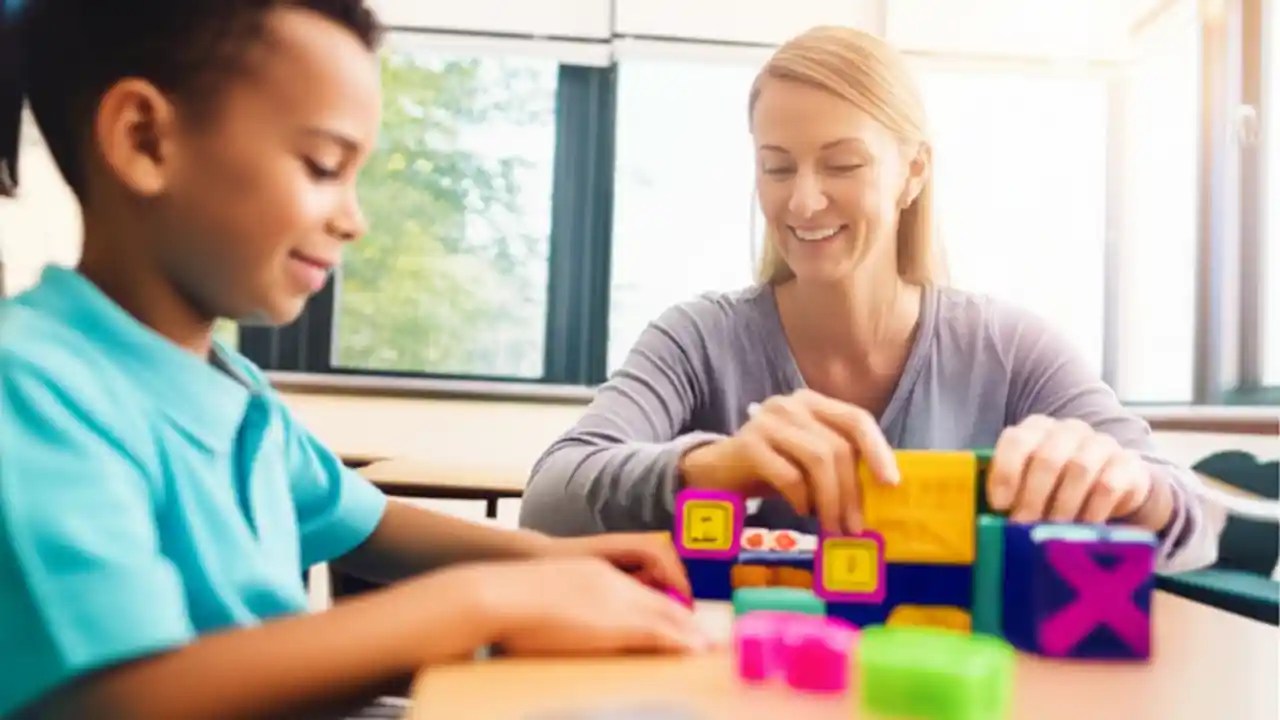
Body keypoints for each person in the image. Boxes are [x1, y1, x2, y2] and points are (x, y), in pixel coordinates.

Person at [0, 2, 706, 718]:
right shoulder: (32, 387)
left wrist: (560, 561)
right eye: (323, 166)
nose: (354, 219)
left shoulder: (234, 389)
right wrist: (482, 603)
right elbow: (121, 698)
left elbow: (370, 526)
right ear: (144, 139)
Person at [519, 26, 1224, 574]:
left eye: (843, 164)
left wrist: (1131, 489)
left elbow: (1200, 519)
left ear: (913, 171)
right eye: (776, 167)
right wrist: (711, 466)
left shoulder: (1011, 349)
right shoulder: (697, 338)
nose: (802, 199)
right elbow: (548, 500)